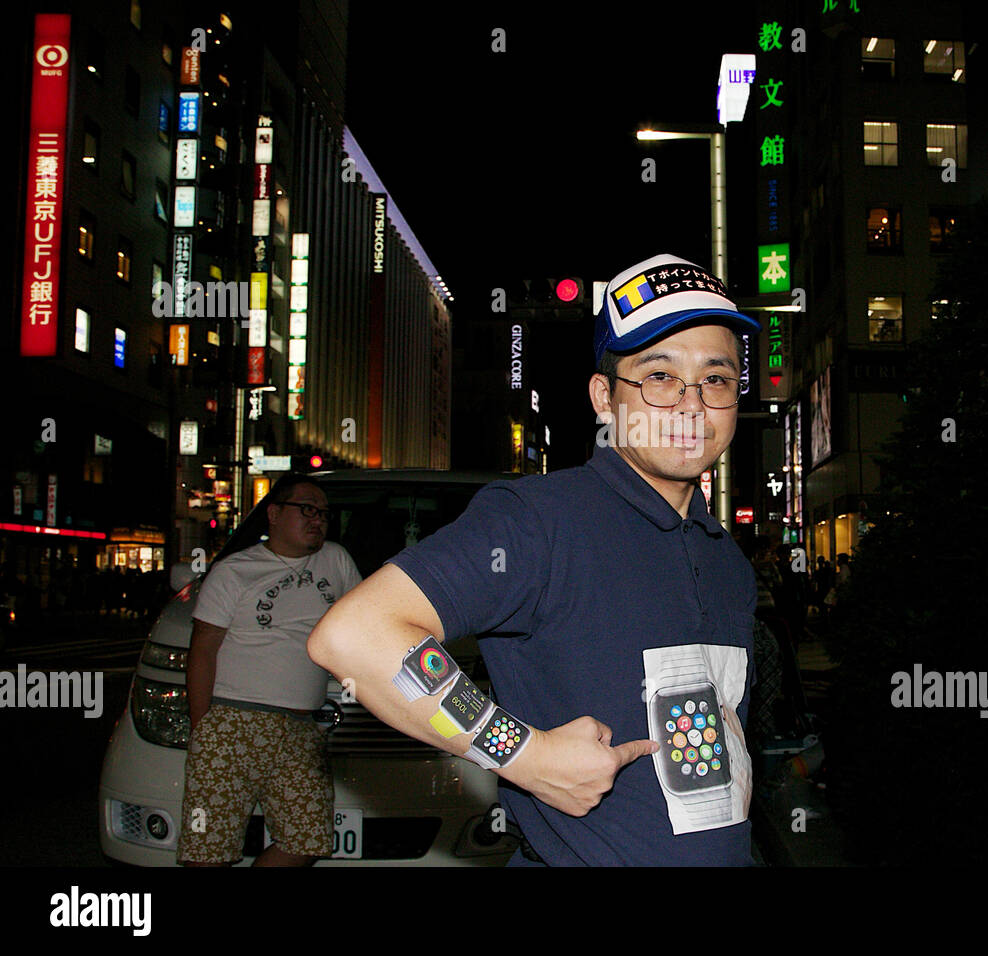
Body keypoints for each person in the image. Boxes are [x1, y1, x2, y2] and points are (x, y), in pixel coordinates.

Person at [309, 253, 762, 865]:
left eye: (716, 379)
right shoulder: (540, 519)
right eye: (658, 376)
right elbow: (357, 635)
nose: (690, 405)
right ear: (605, 398)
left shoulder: (726, 558)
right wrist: (524, 754)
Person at [177, 474, 361, 866]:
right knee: (209, 846)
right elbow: (203, 649)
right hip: (233, 720)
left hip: (301, 725)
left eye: (324, 513)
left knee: (307, 837)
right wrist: (202, 728)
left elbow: (363, 623)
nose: (318, 519)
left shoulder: (336, 560)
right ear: (274, 513)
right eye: (307, 509)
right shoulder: (235, 571)